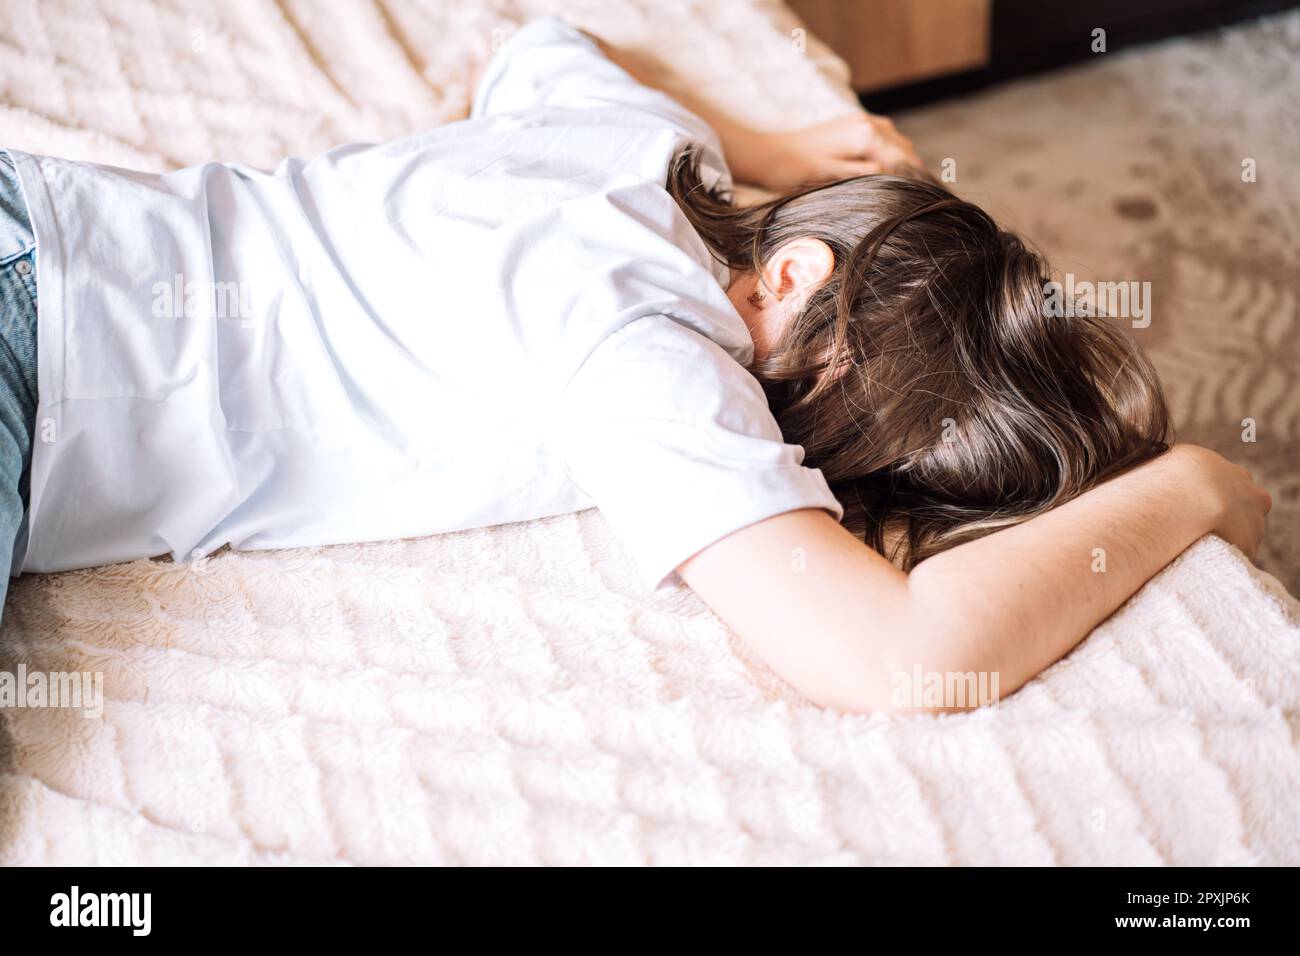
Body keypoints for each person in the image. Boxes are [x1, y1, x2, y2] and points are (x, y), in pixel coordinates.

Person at [0, 17, 1270, 712]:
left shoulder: (650, 144)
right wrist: (1200, 483)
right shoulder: (641, 353)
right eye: (815, 420)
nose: (796, 461)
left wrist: (770, 147)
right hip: (40, 356)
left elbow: (536, 46)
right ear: (787, 282)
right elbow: (896, 657)